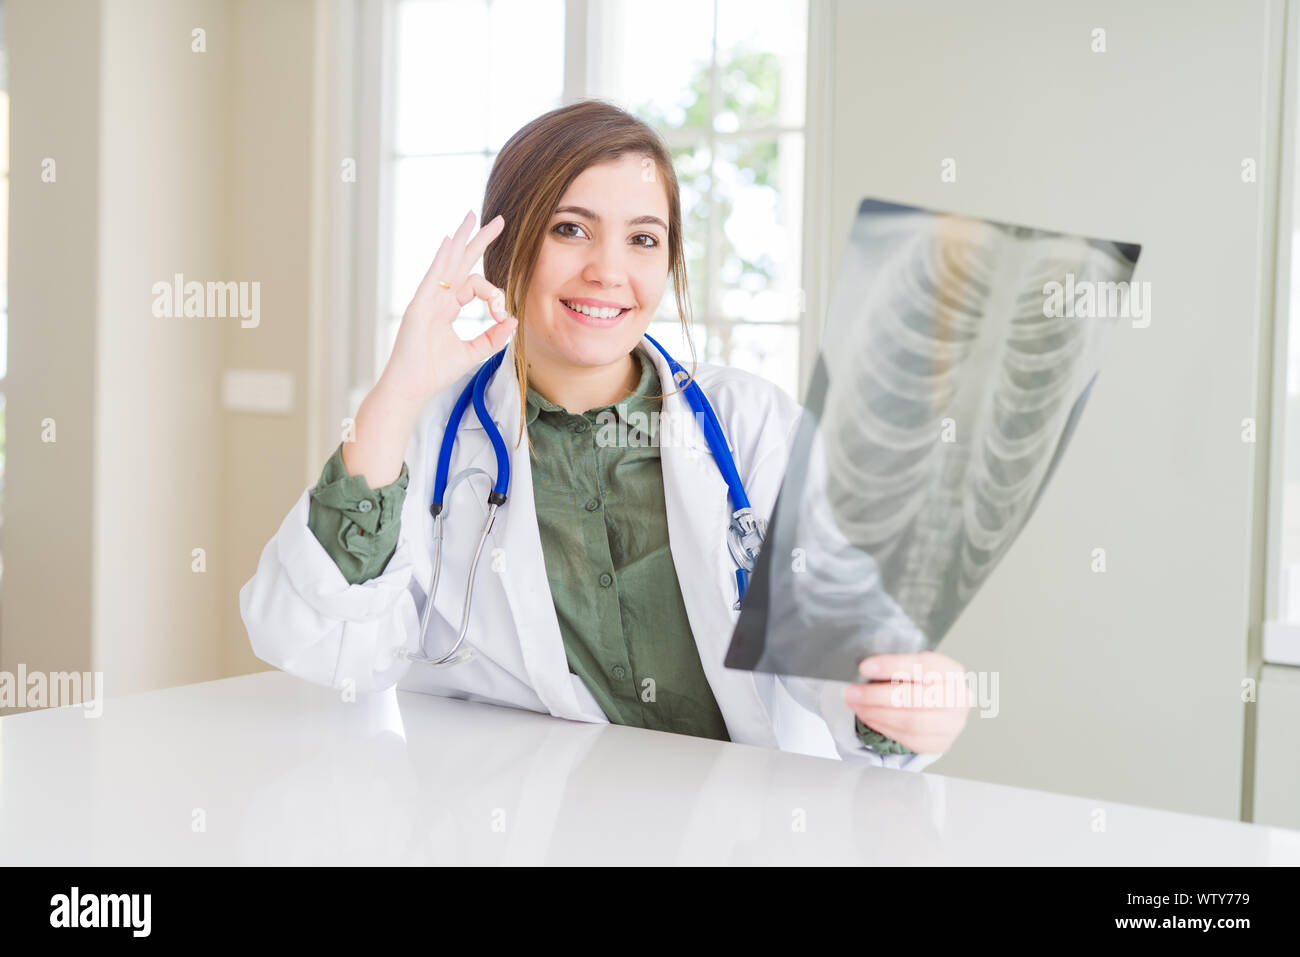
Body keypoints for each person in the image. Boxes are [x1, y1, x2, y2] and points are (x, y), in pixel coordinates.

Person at [239, 99, 970, 769]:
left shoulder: (752, 428)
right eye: (570, 228)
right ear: (507, 248)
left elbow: (840, 639)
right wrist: (396, 391)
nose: (608, 270)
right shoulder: (429, 439)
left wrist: (899, 701)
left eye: (643, 239)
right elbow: (319, 645)